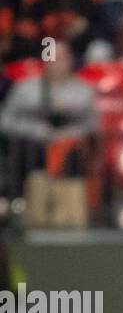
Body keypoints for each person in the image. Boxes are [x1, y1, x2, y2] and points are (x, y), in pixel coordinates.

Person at [0, 39, 97, 198]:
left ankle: (73, 206)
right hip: (30, 147)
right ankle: (15, 201)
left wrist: (67, 135)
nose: (56, 63)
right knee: (20, 149)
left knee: (76, 154)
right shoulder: (25, 88)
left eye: (61, 58)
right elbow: (5, 120)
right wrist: (36, 130)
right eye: (51, 58)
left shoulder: (83, 91)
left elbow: (92, 124)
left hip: (69, 151)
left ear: (70, 60)